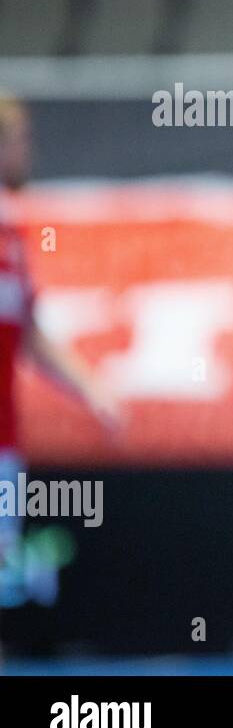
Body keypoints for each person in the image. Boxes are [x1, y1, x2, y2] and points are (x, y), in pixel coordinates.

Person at [0, 94, 123, 652]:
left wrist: (89, 386)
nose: (29, 153)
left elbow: (28, 332)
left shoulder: (11, 239)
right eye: (19, 142)